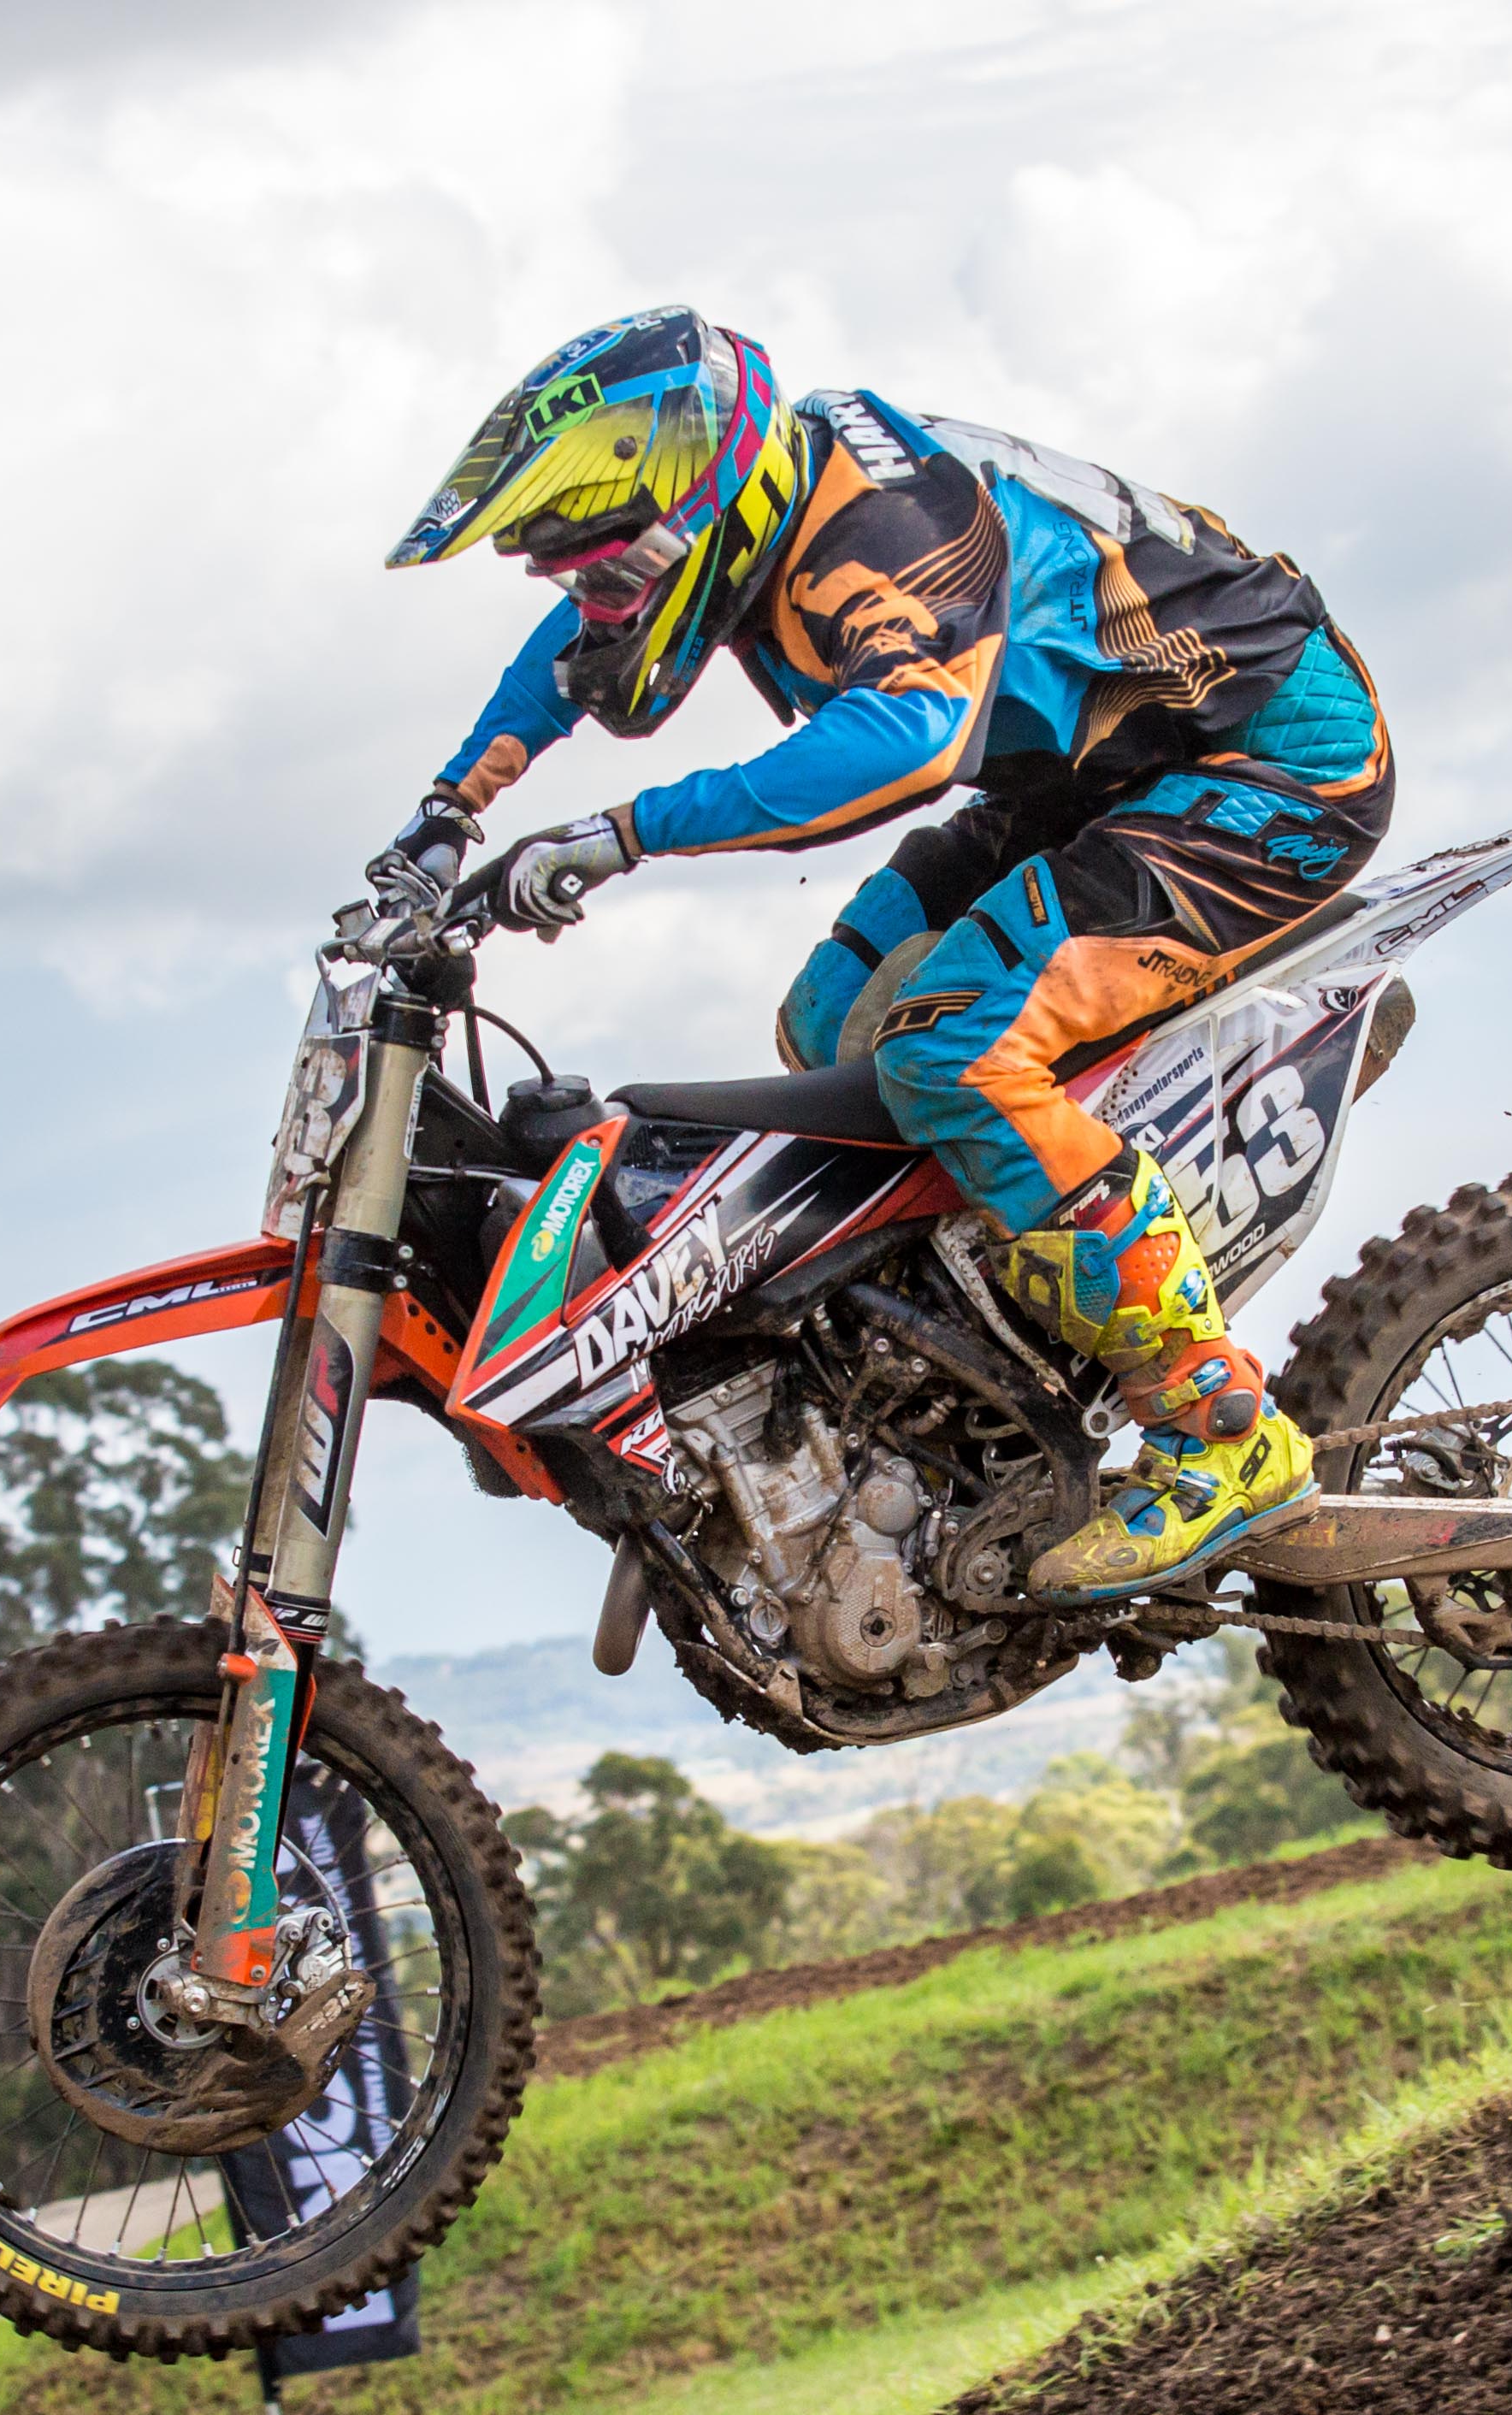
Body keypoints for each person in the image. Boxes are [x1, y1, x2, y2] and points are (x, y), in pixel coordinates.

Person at [375, 308, 1391, 1602]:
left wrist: (624, 834)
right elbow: (571, 662)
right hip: (1091, 776)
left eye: (613, 574)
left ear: (694, 516)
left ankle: (1216, 1426)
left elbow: (904, 741)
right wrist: (453, 808)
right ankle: (966, 1364)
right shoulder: (765, 500)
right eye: (586, 580)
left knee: (957, 1053)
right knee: (830, 1017)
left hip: (1273, 766)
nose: (601, 606)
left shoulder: (883, 537)